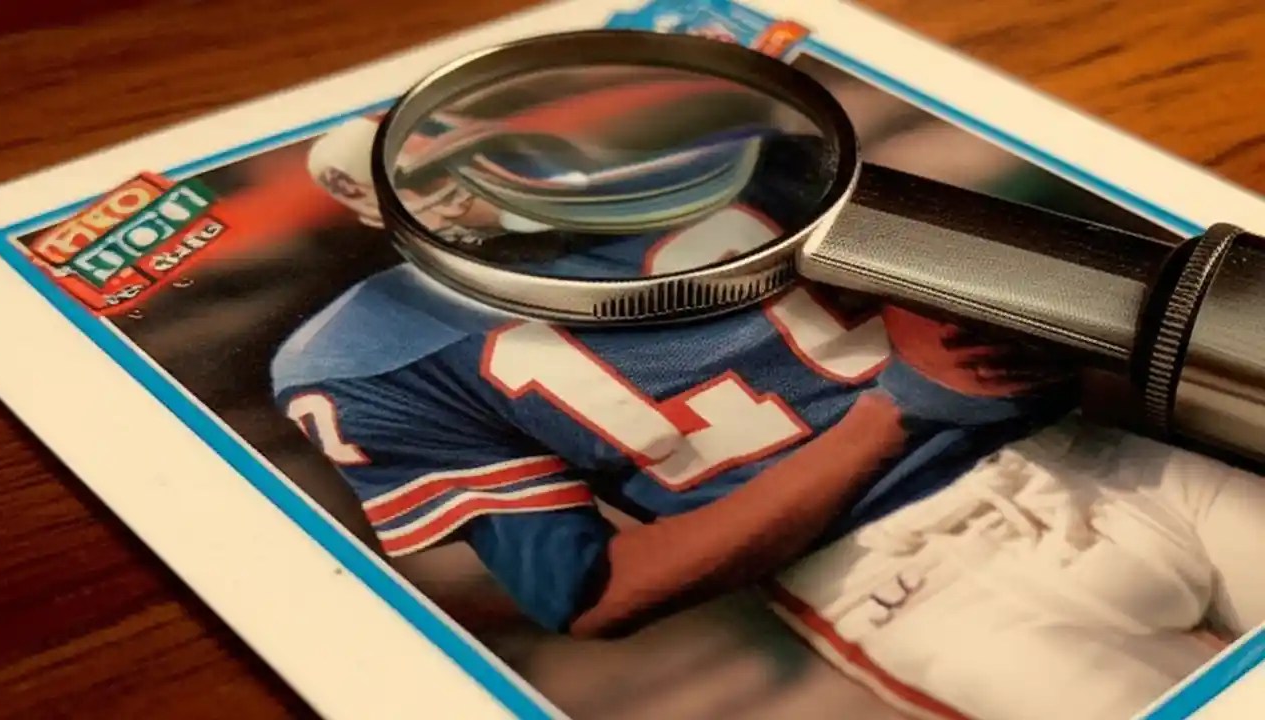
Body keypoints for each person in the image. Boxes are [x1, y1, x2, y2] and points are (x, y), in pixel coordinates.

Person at [272, 110, 1263, 720]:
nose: (473, 183)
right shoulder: (363, 356)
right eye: (423, 177)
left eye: (469, 145)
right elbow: (596, 595)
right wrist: (897, 411)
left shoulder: (748, 161)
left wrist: (1001, 334)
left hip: (1089, 458)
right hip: (903, 580)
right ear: (376, 213)